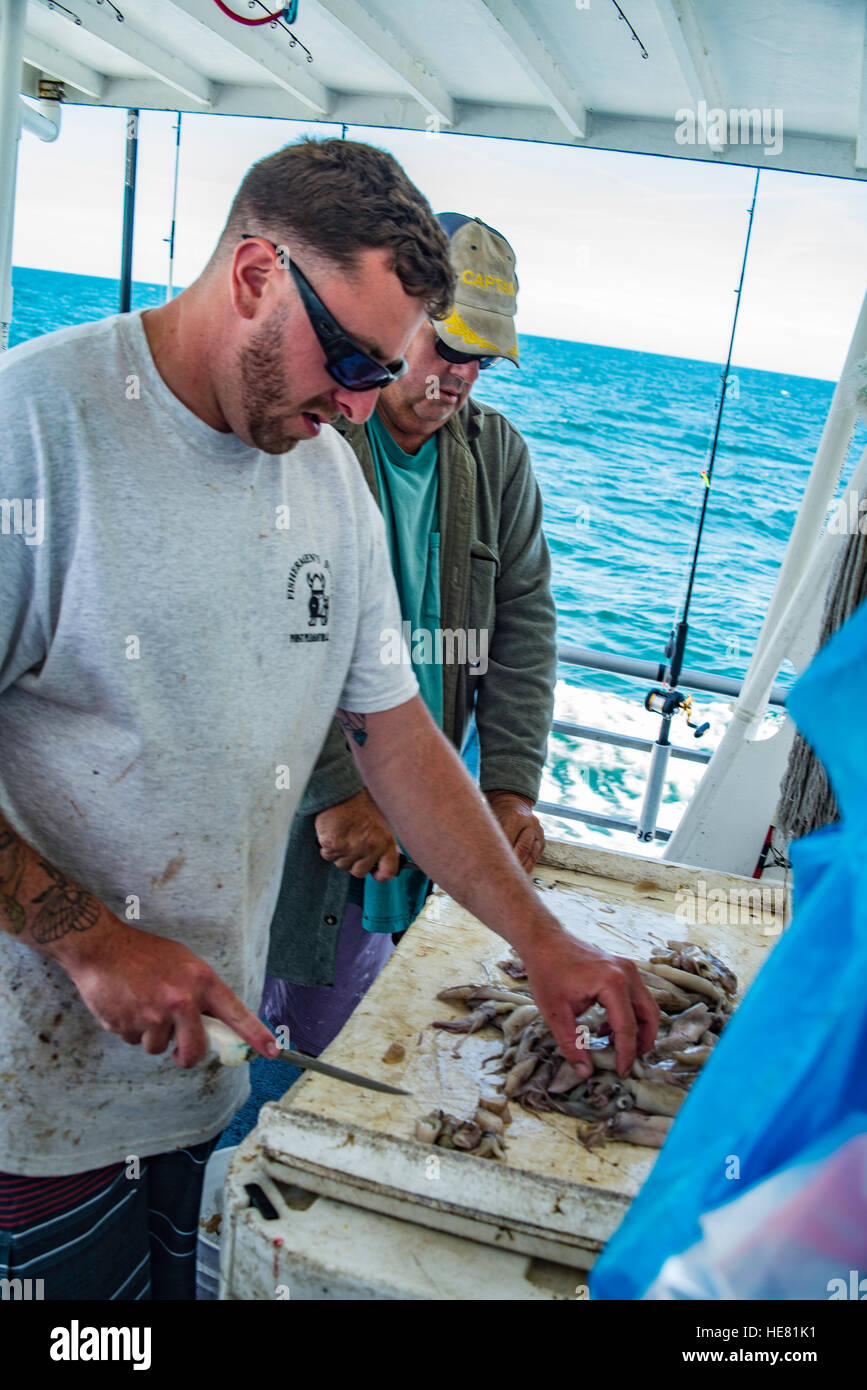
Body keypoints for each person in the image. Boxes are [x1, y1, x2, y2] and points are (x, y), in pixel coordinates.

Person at [0, 138, 657, 1302]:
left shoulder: (328, 478)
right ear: (255, 273)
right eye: (350, 357)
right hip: (27, 1102)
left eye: (383, 366)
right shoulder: (36, 428)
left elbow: (394, 735)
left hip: (196, 1074)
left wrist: (541, 940)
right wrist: (90, 938)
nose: (360, 401)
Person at [262, 213, 558, 1055]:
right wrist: (332, 790)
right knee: (283, 1057)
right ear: (401, 318)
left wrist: (508, 787)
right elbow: (267, 632)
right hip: (309, 823)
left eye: (480, 359)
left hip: (424, 816)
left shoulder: (497, 454)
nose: (459, 375)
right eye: (446, 346)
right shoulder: (310, 435)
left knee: (391, 1037)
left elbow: (527, 624)